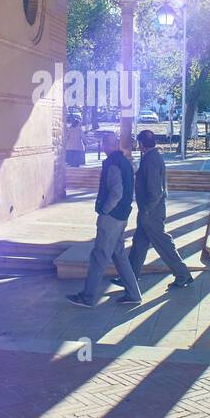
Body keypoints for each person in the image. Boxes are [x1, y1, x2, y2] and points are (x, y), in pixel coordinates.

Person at [67, 131, 142, 307]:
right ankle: (133, 294)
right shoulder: (124, 161)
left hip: (112, 217)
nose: (103, 146)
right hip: (122, 215)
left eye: (104, 143)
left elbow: (117, 192)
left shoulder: (113, 163)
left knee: (99, 256)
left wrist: (105, 211)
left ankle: (88, 297)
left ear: (109, 145)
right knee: (119, 256)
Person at [129, 129, 194, 288]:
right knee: (139, 244)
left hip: (151, 211)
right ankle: (129, 277)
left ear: (142, 143)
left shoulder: (150, 160)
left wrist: (146, 209)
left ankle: (183, 274)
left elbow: (155, 190)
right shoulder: (154, 157)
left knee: (163, 244)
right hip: (150, 210)